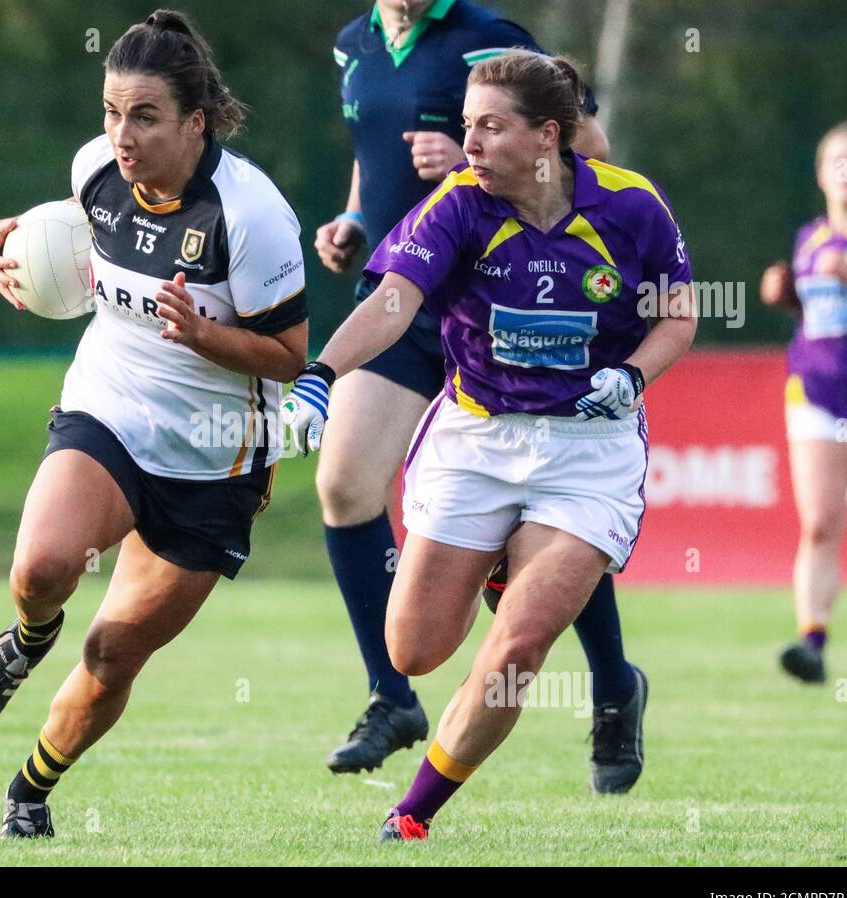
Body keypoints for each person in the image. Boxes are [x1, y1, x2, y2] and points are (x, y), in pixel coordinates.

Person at [282, 50, 696, 840]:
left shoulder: (633, 206)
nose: (468, 143)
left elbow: (678, 314)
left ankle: (412, 815)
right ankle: (505, 565)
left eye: (489, 127)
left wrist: (634, 377)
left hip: (589, 450)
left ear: (547, 135)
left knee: (520, 647)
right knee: (412, 650)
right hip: (477, 436)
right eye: (466, 125)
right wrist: (321, 374)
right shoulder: (458, 205)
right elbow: (395, 300)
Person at [0, 9, 309, 839]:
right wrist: (2, 243)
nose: (122, 134)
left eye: (144, 116)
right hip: (109, 405)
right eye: (112, 112)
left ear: (196, 120)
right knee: (42, 567)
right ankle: (25, 642)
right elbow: (66, 242)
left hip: (215, 459)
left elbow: (292, 356)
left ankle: (31, 789)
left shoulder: (250, 216)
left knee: (114, 656)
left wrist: (208, 336)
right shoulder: (95, 169)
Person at [761, 121, 847, 684]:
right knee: (819, 523)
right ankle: (812, 641)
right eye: (837, 160)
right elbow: (829, 320)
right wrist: (787, 293)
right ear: (820, 174)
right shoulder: (811, 237)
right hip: (817, 393)